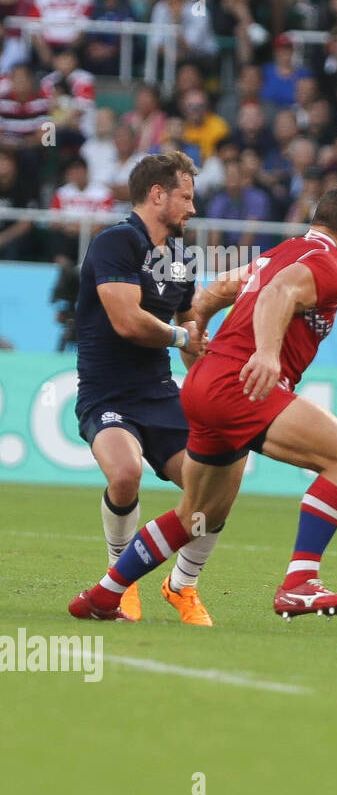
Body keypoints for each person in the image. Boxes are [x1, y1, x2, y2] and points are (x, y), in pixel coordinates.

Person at [68, 186, 337, 622]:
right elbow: (277, 296)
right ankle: (299, 583)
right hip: (241, 386)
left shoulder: (281, 252)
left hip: (207, 382)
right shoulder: (330, 266)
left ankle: (103, 594)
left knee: (197, 512)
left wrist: (198, 348)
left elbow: (208, 297)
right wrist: (267, 353)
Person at [70, 151, 220, 625]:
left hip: (159, 395)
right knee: (124, 474)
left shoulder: (182, 258)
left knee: (211, 489)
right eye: (185, 197)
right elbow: (128, 321)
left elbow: (191, 331)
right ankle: (121, 581)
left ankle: (183, 586)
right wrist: (183, 337)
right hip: (107, 393)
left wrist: (214, 371)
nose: (191, 209)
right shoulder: (115, 243)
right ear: (157, 195)